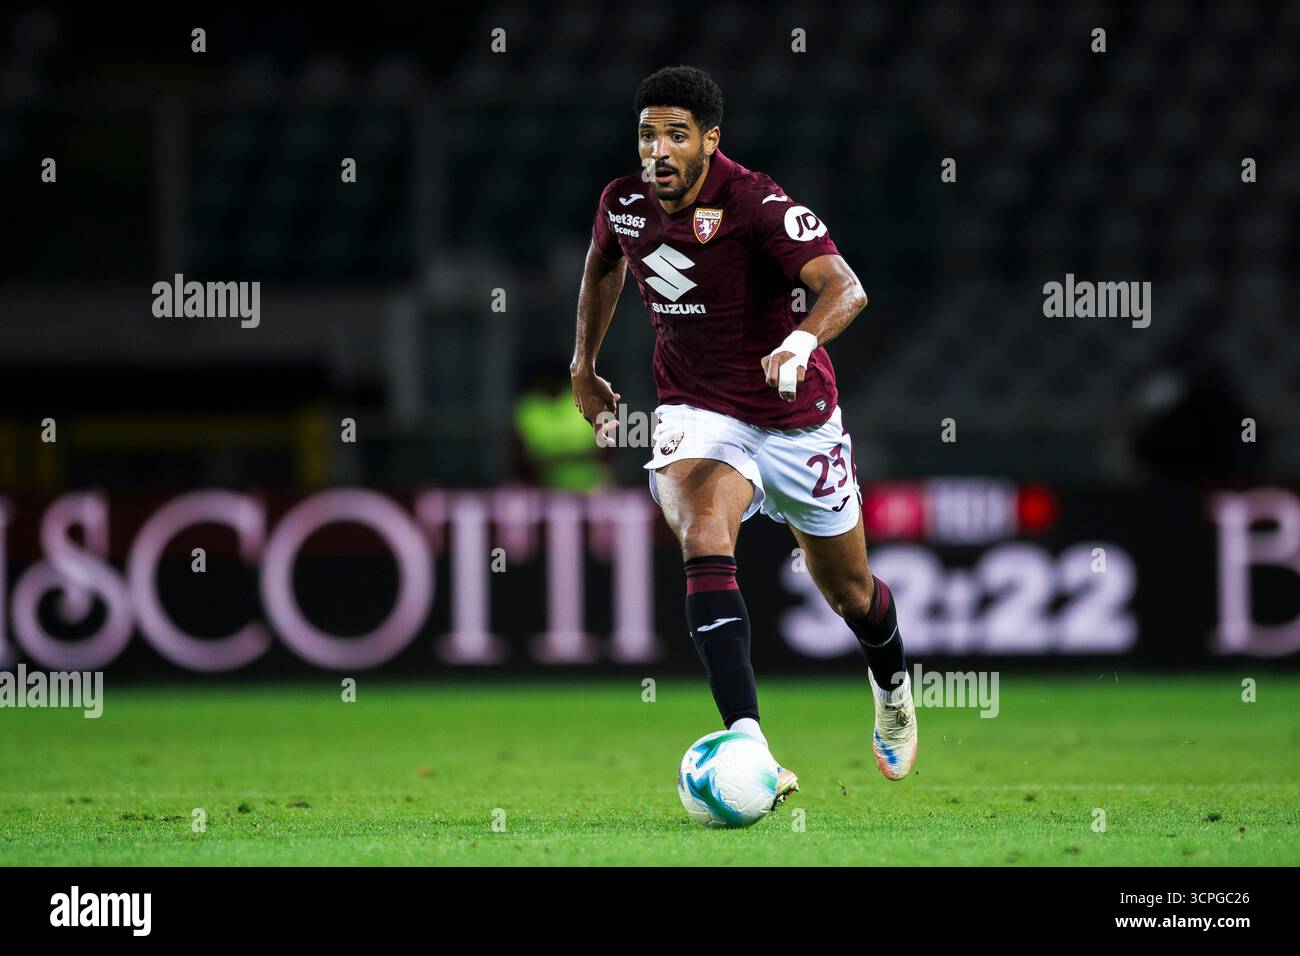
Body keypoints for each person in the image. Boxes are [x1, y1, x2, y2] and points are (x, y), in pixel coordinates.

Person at [570, 66, 917, 800]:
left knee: (850, 593)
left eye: (674, 135)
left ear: (709, 140)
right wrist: (583, 362)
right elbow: (604, 264)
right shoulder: (624, 203)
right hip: (698, 408)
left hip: (795, 417)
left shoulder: (756, 201)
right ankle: (751, 742)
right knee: (702, 529)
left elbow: (845, 286)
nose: (656, 151)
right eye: (645, 135)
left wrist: (800, 342)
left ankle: (890, 687)